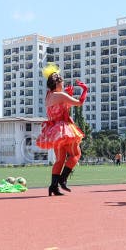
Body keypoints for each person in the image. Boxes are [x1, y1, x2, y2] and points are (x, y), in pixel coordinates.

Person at [36, 64, 87, 196]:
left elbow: (63, 107)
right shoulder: (60, 95)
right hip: (64, 128)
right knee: (76, 154)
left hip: (54, 131)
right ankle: (62, 179)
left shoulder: (48, 96)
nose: (63, 85)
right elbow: (79, 103)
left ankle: (53, 187)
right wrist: (85, 90)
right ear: (57, 83)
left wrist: (68, 94)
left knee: (60, 159)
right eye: (62, 82)